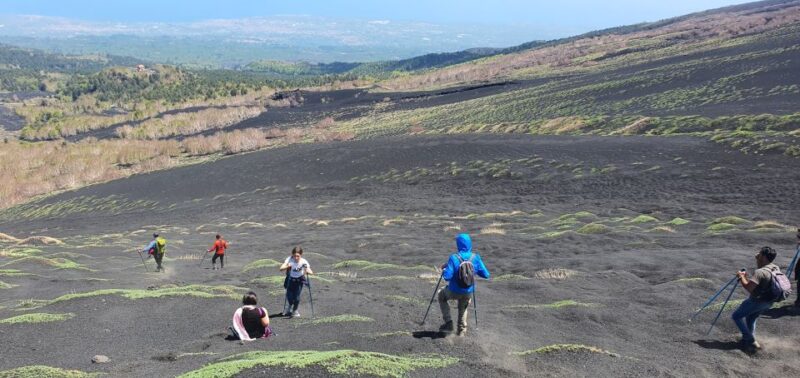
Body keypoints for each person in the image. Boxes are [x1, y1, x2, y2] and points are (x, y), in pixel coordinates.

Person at [438, 233, 489, 337]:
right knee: (463, 307)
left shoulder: (454, 258)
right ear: (470, 243)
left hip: (453, 291)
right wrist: (475, 270)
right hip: (468, 291)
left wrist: (444, 270)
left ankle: (448, 323)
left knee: (441, 295)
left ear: (458, 244)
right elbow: (486, 275)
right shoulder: (476, 257)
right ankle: (461, 331)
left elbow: (447, 276)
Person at [731, 246, 781, 351]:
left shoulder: (760, 272)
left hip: (756, 301)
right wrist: (746, 278)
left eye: (759, 253)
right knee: (751, 317)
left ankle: (750, 339)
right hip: (769, 301)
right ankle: (747, 340)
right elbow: (758, 284)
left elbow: (749, 288)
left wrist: (741, 276)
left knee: (736, 316)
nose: (757, 255)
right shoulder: (775, 267)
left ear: (763, 256)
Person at [279, 246, 313, 318]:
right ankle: (290, 307)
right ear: (292, 254)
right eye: (294, 256)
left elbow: (311, 272)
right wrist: (288, 266)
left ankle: (295, 311)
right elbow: (281, 268)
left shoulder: (304, 261)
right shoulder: (289, 259)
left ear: (301, 255)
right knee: (289, 296)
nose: (296, 258)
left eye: (298, 256)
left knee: (296, 298)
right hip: (290, 280)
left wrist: (307, 270)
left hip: (299, 281)